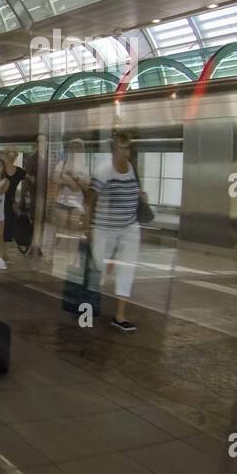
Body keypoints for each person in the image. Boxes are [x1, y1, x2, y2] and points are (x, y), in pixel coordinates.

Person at [85, 129, 145, 332]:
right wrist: (88, 229)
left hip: (129, 226)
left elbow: (136, 192)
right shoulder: (104, 169)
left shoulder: (132, 168)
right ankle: (89, 304)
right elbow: (90, 200)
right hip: (105, 227)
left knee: (127, 269)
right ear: (113, 148)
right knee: (99, 265)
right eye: (120, 147)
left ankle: (119, 317)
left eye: (126, 147)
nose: (124, 152)